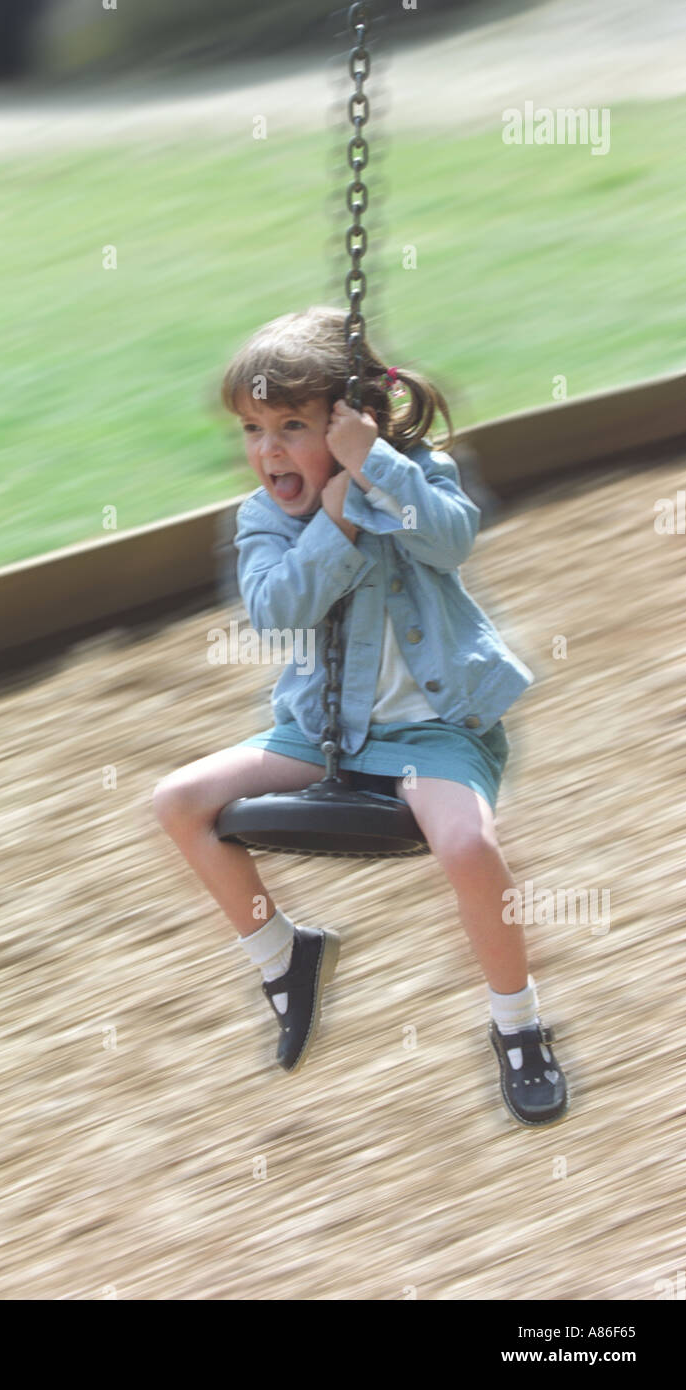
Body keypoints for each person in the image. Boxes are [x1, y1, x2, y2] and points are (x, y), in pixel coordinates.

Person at [153, 305, 569, 1127]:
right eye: (251, 428)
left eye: (292, 425)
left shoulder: (415, 476)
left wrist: (375, 469)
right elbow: (274, 612)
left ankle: (517, 1026)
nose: (268, 449)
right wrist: (337, 519)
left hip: (434, 731)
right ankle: (283, 956)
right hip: (320, 736)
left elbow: (449, 542)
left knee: (467, 843)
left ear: (350, 420)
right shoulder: (264, 518)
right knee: (176, 802)